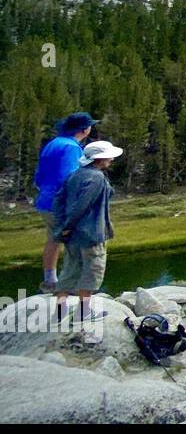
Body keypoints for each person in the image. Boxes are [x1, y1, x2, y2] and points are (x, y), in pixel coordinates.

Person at [52, 140, 122, 324]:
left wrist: (62, 228)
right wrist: (68, 225)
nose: (112, 159)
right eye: (109, 156)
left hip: (71, 235)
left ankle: (60, 311)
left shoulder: (75, 175)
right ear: (99, 159)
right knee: (93, 270)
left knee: (70, 268)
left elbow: (59, 200)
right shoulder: (97, 178)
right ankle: (83, 312)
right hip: (91, 233)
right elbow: (82, 206)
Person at [32, 112, 98, 292]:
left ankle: (50, 281)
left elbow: (38, 176)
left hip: (45, 201)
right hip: (61, 205)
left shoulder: (53, 143)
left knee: (53, 240)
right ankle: (70, 287)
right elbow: (69, 177)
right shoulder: (72, 148)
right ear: (84, 129)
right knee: (74, 244)